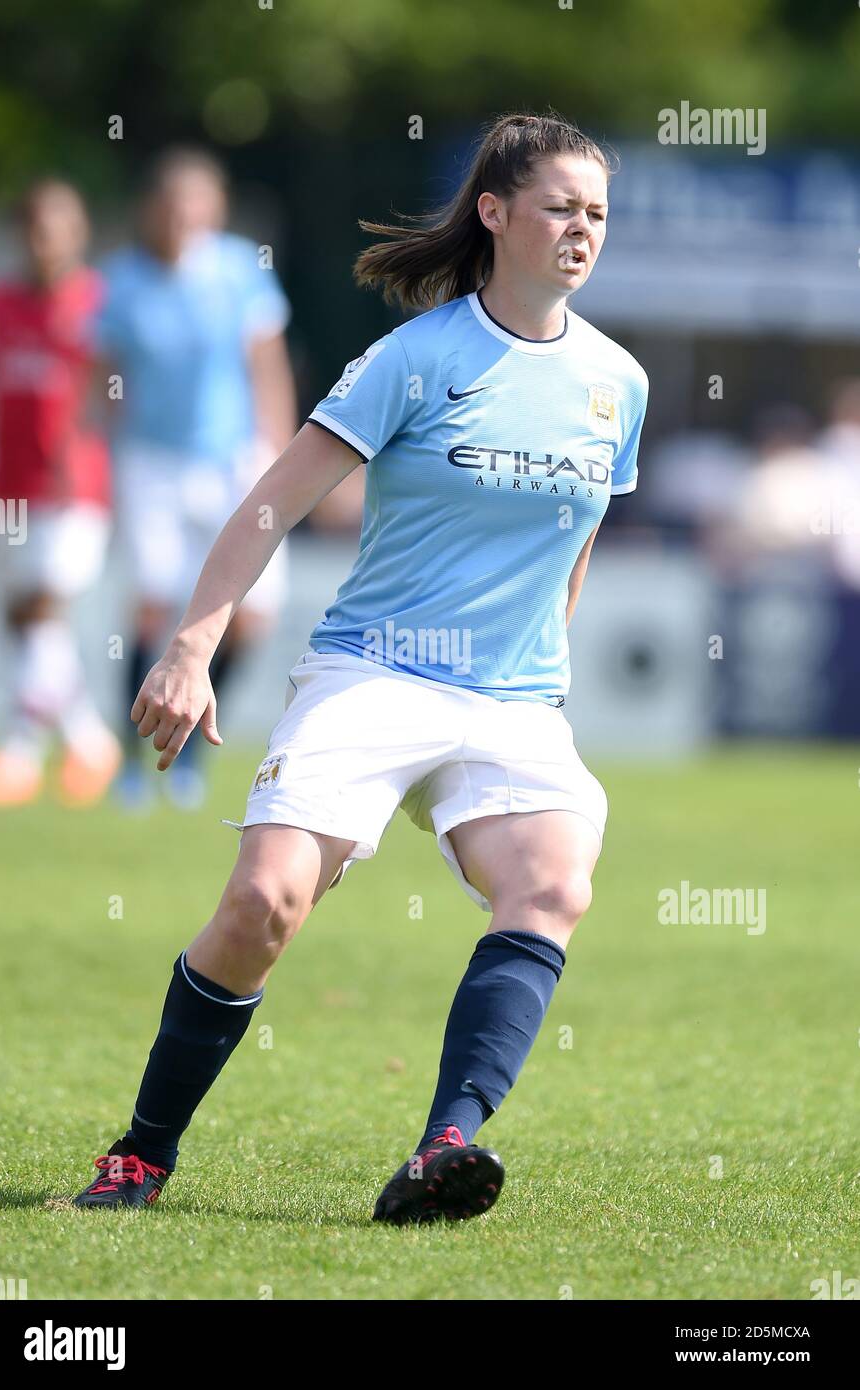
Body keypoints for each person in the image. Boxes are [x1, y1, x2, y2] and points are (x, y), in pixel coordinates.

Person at [73, 112, 649, 1223]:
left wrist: (543, 681)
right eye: (560, 208)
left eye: (598, 215)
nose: (583, 231)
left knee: (551, 885)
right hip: (375, 675)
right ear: (493, 213)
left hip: (515, 703)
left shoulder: (615, 382)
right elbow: (269, 505)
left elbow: (572, 549)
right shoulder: (415, 357)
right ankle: (140, 1156)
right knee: (263, 904)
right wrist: (192, 643)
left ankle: (444, 1145)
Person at [98, 148, 297, 809]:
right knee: (154, 607)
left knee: (251, 616)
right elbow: (103, 377)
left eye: (198, 202)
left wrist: (278, 453)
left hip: (234, 460)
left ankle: (187, 748)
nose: (185, 216)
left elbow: (266, 366)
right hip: (151, 461)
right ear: (152, 209)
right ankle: (133, 762)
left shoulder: (240, 270)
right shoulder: (123, 280)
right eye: (173, 202)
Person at [0, 180, 118, 807]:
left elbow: (118, 386)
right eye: (35, 228)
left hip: (75, 486)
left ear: (78, 234)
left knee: (43, 605)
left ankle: (20, 750)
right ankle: (88, 743)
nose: (46, 242)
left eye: (58, 228)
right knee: (16, 614)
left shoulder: (99, 305)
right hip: (5, 485)